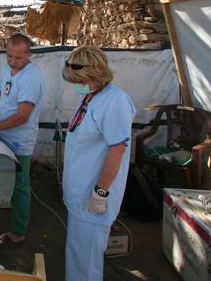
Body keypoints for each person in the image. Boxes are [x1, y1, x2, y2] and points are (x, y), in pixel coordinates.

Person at [61, 46, 136, 280]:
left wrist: (100, 193)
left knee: (86, 263)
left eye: (79, 81)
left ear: (95, 76)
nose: (76, 86)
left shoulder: (114, 101)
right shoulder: (92, 97)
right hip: (80, 193)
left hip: (94, 197)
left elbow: (118, 149)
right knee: (78, 254)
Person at [0, 33, 44, 247]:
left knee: (20, 185)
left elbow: (23, 116)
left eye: (18, 58)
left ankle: (18, 231)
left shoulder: (31, 79)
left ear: (29, 55)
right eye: (9, 57)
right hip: (3, 128)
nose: (13, 61)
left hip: (20, 139)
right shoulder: (7, 70)